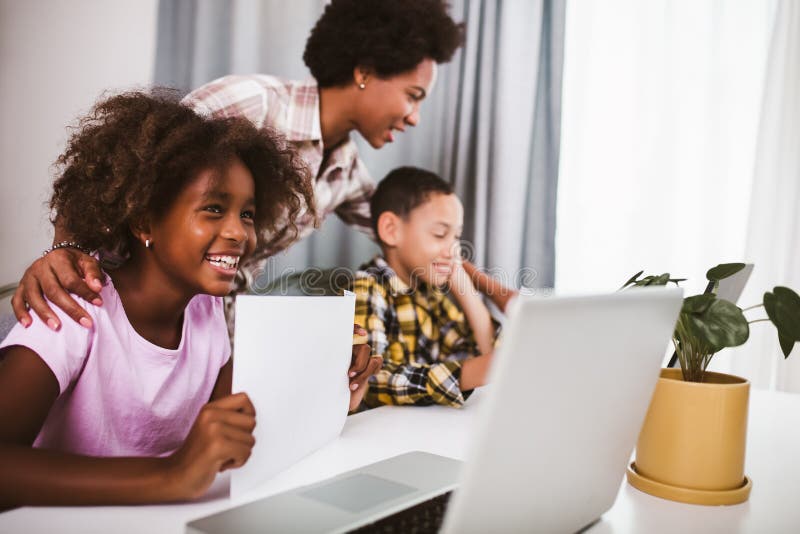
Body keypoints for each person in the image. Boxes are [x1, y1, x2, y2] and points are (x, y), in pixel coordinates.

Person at [0, 91, 373, 508]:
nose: (238, 233)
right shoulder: (74, 310)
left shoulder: (206, 313)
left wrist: (329, 374)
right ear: (144, 220)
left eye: (247, 214)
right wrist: (169, 476)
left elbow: (235, 431)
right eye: (214, 208)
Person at [11, 0, 470, 334]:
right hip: (124, 314)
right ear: (364, 71)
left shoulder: (345, 174)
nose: (415, 118)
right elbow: (117, 166)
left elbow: (418, 233)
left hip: (209, 333)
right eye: (413, 97)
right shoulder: (250, 103)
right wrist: (63, 247)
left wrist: (491, 290)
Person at [351, 167, 502, 409]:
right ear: (391, 230)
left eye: (456, 237)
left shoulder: (429, 292)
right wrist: (465, 374)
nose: (453, 251)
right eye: (440, 234)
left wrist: (466, 290)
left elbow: (484, 352)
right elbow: (371, 379)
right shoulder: (367, 287)